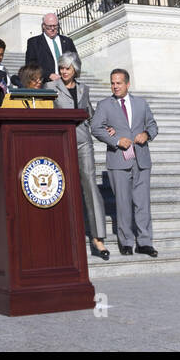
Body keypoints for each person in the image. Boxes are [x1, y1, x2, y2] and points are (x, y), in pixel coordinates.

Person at [92, 68, 158, 257]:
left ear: (127, 84)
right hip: (119, 161)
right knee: (122, 204)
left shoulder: (141, 103)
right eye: (113, 82)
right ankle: (126, 242)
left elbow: (153, 125)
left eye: (119, 83)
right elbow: (96, 128)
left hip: (141, 160)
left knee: (142, 203)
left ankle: (145, 242)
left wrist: (146, 134)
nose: (115, 86)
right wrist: (116, 140)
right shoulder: (105, 105)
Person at [49, 52, 109, 260]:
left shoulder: (84, 89)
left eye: (68, 68)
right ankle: (64, 236)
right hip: (61, 142)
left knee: (90, 185)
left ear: (75, 69)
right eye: (61, 68)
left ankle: (98, 237)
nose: (64, 71)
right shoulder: (51, 88)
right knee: (63, 187)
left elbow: (90, 114)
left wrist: (106, 128)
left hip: (84, 141)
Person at [25, 13, 77, 82]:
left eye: (55, 26)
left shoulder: (67, 41)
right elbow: (30, 66)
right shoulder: (34, 43)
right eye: (49, 26)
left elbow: (75, 62)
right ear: (43, 26)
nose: (52, 29)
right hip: (46, 83)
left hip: (67, 83)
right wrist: (48, 75)